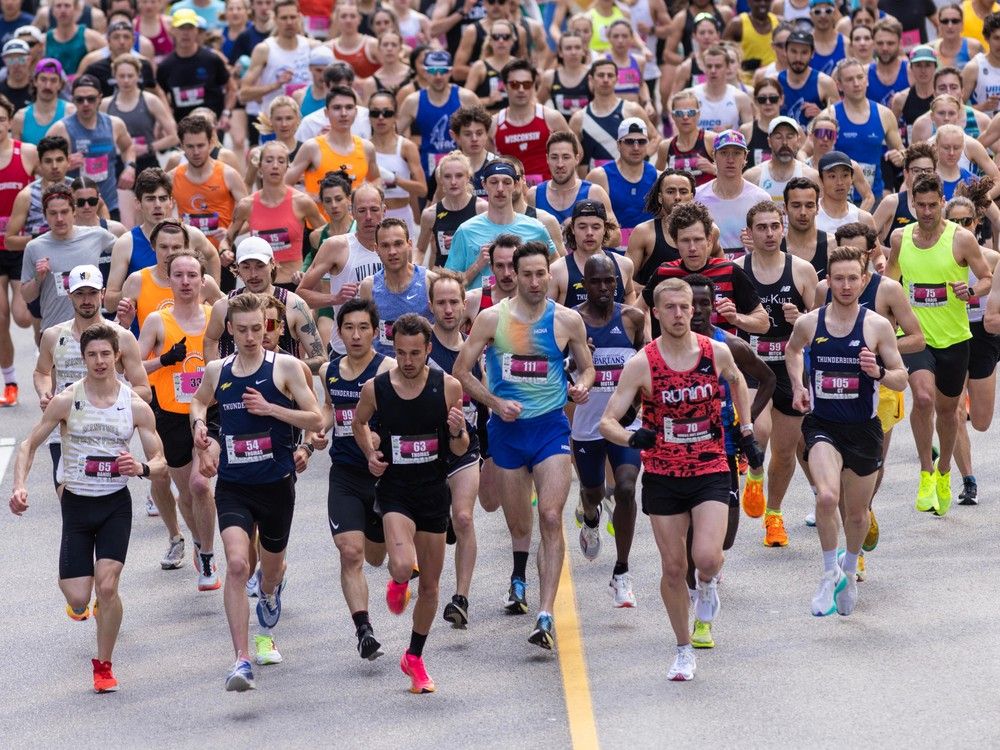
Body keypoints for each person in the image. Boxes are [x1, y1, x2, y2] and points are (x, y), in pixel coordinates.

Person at [599, 277, 761, 681]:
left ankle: (706, 583)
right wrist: (632, 436)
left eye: (683, 307)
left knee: (707, 556)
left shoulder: (715, 352)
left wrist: (746, 431)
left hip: (709, 467)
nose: (677, 314)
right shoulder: (643, 363)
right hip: (663, 474)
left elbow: (740, 382)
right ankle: (683, 648)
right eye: (668, 307)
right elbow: (607, 422)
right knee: (673, 568)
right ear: (656, 311)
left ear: (694, 309)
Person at [9, 321, 166, 693]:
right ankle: (86, 601)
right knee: (79, 596)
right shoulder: (67, 400)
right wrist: (19, 487)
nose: (99, 361)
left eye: (106, 355)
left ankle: (104, 665)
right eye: (92, 355)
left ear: (117, 358)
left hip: (114, 504)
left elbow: (161, 461)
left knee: (108, 587)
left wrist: (141, 468)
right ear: (83, 358)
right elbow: (28, 445)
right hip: (77, 505)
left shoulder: (135, 405)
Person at [454, 242, 594, 650]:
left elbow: (586, 369)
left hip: (550, 429)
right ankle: (519, 578)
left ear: (550, 276)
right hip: (507, 432)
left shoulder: (567, 321)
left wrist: (581, 388)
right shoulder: (491, 319)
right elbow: (462, 372)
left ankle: (546, 613)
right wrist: (495, 403)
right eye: (527, 274)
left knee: (550, 516)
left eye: (541, 274)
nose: (535, 282)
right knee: (520, 525)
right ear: (513, 275)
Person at [191, 291, 324, 692]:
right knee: (236, 565)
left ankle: (269, 595)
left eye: (259, 329)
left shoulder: (284, 366)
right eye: (243, 330)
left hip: (276, 485)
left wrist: (271, 409)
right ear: (230, 330)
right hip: (234, 486)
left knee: (271, 571)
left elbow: (315, 416)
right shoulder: (217, 370)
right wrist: (198, 427)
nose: (252, 337)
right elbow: (198, 403)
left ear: (267, 328)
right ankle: (241, 660)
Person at [785, 246, 908, 616]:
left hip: (864, 430)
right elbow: (793, 352)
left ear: (864, 279)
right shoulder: (810, 323)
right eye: (838, 278)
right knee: (825, 497)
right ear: (828, 281)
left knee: (857, 516)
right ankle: (827, 574)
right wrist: (798, 385)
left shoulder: (877, 326)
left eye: (853, 277)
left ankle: (849, 570)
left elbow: (901, 378)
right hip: (823, 426)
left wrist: (879, 374)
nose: (845, 285)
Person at [351, 313, 468, 693]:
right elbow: (359, 423)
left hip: (434, 492)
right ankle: (399, 578)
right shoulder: (376, 388)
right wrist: (370, 451)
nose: (407, 361)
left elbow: (461, 447)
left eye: (415, 353)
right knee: (402, 564)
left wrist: (456, 431)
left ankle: (414, 657)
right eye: (400, 353)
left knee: (432, 588)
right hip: (396, 490)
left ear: (428, 350)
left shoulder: (447, 387)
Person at [886, 173, 993, 515]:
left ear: (942, 202)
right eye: (922, 205)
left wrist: (972, 290)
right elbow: (889, 278)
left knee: (949, 412)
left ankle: (945, 470)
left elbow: (987, 276)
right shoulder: (901, 238)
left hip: (955, 339)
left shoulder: (960, 238)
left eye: (934, 205)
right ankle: (925, 471)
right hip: (916, 336)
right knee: (922, 397)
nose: (928, 211)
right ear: (912, 204)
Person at [685, 271, 774, 645]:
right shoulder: (659, 351)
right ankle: (698, 603)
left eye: (705, 303)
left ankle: (706, 572)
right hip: (677, 455)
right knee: (688, 537)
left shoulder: (728, 346)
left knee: (726, 539)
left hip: (722, 450)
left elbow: (767, 379)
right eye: (692, 305)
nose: (698, 311)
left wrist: (745, 423)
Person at [733, 200, 818, 546]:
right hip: (751, 362)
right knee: (760, 430)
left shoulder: (802, 270)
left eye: (774, 227)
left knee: (785, 451)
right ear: (749, 233)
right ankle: (754, 470)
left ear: (783, 229)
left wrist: (802, 319)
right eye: (761, 227)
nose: (769, 234)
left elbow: (821, 321)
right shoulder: (737, 269)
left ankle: (775, 515)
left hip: (790, 364)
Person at [137, 250, 222, 590]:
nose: (186, 282)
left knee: (201, 485)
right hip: (170, 414)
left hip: (211, 411)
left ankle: (208, 555)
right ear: (169, 280)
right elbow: (134, 368)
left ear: (203, 280)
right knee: (186, 493)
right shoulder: (158, 321)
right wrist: (164, 360)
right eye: (179, 275)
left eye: (192, 275)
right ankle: (201, 543)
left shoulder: (215, 315)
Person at [316, 297, 394, 660]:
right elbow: (331, 411)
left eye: (364, 328)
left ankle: (402, 572)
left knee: (379, 559)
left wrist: (380, 438)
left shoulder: (388, 369)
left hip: (383, 477)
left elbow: (403, 420)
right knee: (350, 553)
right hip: (345, 474)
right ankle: (364, 630)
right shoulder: (328, 371)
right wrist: (317, 431)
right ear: (338, 333)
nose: (357, 334)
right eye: (349, 327)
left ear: (376, 332)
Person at [571, 254, 645, 606]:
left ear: (618, 283)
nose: (604, 287)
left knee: (628, 488)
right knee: (593, 492)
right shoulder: (573, 322)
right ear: (584, 285)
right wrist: (576, 362)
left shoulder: (632, 319)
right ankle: (589, 518)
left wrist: (639, 407)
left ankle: (622, 571)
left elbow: (648, 367)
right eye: (596, 281)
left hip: (624, 423)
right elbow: (561, 369)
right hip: (586, 425)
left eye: (610, 281)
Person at [425, 271, 484, 627]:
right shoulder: (419, 347)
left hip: (466, 443)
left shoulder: (475, 347)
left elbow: (487, 394)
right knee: (430, 527)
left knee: (464, 517)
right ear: (430, 306)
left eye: (454, 303)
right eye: (441, 303)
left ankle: (460, 597)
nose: (448, 310)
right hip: (425, 451)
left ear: (465, 306)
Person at [642, 200, 769, 338]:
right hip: (676, 356)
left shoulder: (730, 271)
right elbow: (640, 308)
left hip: (720, 355)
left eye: (698, 240)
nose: (692, 248)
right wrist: (648, 341)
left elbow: (763, 324)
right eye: (685, 240)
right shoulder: (664, 273)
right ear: (675, 241)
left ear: (709, 240)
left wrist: (736, 318)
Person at [104, 167, 220, 315]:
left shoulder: (191, 235)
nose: (157, 205)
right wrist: (135, 290)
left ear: (171, 202)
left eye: (163, 198)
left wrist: (209, 292)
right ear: (138, 203)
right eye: (150, 199)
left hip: (185, 332)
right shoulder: (126, 243)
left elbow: (212, 256)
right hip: (143, 332)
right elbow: (109, 303)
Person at [945, 194, 1000, 505]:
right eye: (953, 222)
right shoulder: (939, 256)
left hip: (981, 335)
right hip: (949, 334)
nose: (961, 227)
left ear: (976, 223)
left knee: (980, 421)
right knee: (952, 411)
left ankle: (958, 407)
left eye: (966, 221)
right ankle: (968, 480)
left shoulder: (991, 260)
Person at [205, 237, 325, 372]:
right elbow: (210, 340)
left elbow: (321, 359)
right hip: (236, 389)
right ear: (237, 268)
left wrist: (283, 367)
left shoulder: (294, 305)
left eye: (260, 266)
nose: (253, 274)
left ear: (272, 263)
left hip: (282, 390)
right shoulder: (223, 307)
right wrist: (216, 375)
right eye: (246, 267)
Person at [295, 182, 385, 355]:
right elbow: (301, 294)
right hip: (345, 349)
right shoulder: (337, 246)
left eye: (374, 210)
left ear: (384, 210)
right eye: (361, 210)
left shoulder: (395, 246)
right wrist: (335, 298)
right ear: (352, 211)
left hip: (386, 349)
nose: (368, 216)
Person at [223, 141, 325, 291]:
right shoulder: (247, 205)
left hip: (295, 284)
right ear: (260, 167)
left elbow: (327, 236)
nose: (275, 165)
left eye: (281, 161)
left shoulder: (302, 202)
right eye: (269, 160)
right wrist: (224, 251)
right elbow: (227, 238)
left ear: (287, 167)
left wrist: (310, 266)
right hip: (259, 286)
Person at [444, 160, 558, 290]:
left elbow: (555, 266)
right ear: (484, 185)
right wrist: (477, 265)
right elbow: (449, 287)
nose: (500, 189)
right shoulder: (466, 231)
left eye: (506, 182)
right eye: (493, 182)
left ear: (515, 185)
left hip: (524, 308)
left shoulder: (536, 228)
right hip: (480, 308)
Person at [21, 184, 117, 332]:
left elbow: (127, 250)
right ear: (45, 215)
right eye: (53, 213)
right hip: (54, 331)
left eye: (64, 212)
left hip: (94, 332)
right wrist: (38, 278)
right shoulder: (34, 247)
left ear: (74, 211)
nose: (59, 219)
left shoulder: (97, 235)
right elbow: (27, 297)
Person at [45, 75, 136, 221]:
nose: (85, 104)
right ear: (73, 99)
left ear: (100, 98)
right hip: (75, 209)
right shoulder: (61, 129)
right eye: (80, 100)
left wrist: (130, 167)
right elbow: (41, 166)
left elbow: (128, 147)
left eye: (91, 99)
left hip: (109, 204)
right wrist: (64, 165)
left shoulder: (114, 124)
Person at [116, 219, 223, 335]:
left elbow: (229, 319)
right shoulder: (137, 280)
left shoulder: (204, 283)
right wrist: (124, 324)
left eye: (176, 247)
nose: (169, 253)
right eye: (163, 247)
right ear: (153, 246)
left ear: (186, 247)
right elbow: (119, 327)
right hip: (151, 351)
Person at [397, 50, 479, 191]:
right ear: (425, 72)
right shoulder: (413, 101)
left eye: (443, 71)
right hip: (427, 171)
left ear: (450, 72)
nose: (438, 76)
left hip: (461, 172)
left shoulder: (465, 97)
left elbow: (485, 132)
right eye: (433, 71)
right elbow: (395, 135)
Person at [826, 58, 904, 199]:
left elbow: (903, 151)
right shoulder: (830, 115)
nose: (856, 84)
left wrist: (901, 156)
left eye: (860, 77)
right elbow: (807, 151)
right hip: (839, 198)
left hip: (874, 197)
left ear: (867, 80)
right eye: (849, 79)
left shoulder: (884, 114)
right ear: (839, 85)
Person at [0, 93, 35, 405]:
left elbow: (47, 186)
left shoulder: (26, 153)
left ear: (9, 121)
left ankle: (47, 351)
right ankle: (10, 382)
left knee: (23, 317)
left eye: (0, 119)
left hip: (19, 245)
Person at [360, 218, 436, 356]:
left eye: (398, 244)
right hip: (384, 370)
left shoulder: (429, 281)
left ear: (409, 244)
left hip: (425, 369)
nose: (392, 251)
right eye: (385, 246)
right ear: (376, 249)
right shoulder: (368, 286)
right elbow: (366, 334)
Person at [287, 86, 380, 200]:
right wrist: (311, 198)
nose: (344, 113)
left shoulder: (367, 147)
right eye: (337, 108)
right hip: (318, 217)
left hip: (355, 218)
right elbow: (284, 184)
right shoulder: (312, 147)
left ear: (356, 112)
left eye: (349, 107)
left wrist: (362, 194)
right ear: (326, 112)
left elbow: (376, 180)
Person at [490, 59, 570, 188]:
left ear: (533, 86)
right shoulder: (494, 123)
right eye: (515, 84)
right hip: (511, 195)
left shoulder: (551, 117)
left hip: (549, 193)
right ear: (505, 86)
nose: (521, 89)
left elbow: (577, 153)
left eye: (527, 84)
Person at [694, 129, 770, 260]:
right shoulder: (698, 197)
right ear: (714, 156)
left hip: (748, 272)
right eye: (724, 153)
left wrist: (759, 246)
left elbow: (773, 244)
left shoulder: (761, 198)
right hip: (711, 271)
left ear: (745, 157)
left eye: (736, 153)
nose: (730, 159)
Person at [569, 59, 658, 172]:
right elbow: (570, 153)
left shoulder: (632, 110)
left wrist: (640, 158)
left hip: (629, 178)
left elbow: (655, 138)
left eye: (610, 75)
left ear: (617, 78)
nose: (606, 80)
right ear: (591, 79)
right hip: (596, 183)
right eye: (601, 75)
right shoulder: (579, 118)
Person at [237, 0, 315, 125]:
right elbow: (243, 94)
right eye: (284, 18)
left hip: (305, 126)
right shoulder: (264, 49)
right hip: (274, 126)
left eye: (293, 17)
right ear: (275, 20)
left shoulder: (312, 47)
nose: (289, 22)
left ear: (300, 18)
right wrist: (276, 85)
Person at [586, 118, 657, 248]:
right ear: (618, 144)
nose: (636, 147)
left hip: (649, 253)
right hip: (612, 253)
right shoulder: (599, 176)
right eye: (629, 142)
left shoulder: (658, 176)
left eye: (641, 142)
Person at [550, 200, 634, 306]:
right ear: (572, 229)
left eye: (596, 227)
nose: (589, 233)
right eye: (582, 227)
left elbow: (630, 293)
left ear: (604, 229)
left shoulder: (624, 265)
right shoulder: (557, 270)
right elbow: (547, 312)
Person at [156, 9, 234, 124]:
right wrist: (168, 120)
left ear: (197, 31)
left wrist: (226, 114)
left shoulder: (211, 59)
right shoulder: (165, 66)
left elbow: (232, 89)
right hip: (183, 131)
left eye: (190, 28)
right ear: (172, 31)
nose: (185, 33)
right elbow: (160, 96)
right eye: (181, 28)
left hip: (212, 127)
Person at [367, 91, 427, 240]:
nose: (381, 117)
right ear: (369, 117)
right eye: (375, 113)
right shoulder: (364, 147)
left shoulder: (406, 146)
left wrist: (394, 179)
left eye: (387, 113)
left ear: (395, 116)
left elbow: (422, 189)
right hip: (372, 218)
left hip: (401, 214)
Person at [531, 130, 617, 231]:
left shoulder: (594, 193)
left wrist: (582, 230)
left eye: (566, 157)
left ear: (577, 159)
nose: (560, 164)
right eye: (554, 157)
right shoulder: (534, 195)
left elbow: (615, 236)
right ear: (547, 159)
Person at [626, 169, 699, 287]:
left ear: (691, 197)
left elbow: (723, 274)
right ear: (660, 197)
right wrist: (654, 295)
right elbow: (625, 279)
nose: (677, 197)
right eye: (670, 191)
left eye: (683, 192)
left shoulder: (710, 231)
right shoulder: (643, 232)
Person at [417, 151, 488, 268]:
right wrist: (414, 268)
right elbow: (420, 249)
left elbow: (494, 244)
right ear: (440, 180)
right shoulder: (430, 214)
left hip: (474, 276)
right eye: (447, 176)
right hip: (444, 279)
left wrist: (461, 240)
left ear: (468, 177)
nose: (453, 182)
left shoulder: (482, 208)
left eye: (459, 176)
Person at [742, 116, 820, 206]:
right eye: (778, 137)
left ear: (798, 141)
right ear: (769, 142)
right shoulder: (751, 177)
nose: (785, 143)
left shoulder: (812, 177)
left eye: (790, 137)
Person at [779, 30, 839, 127]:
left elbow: (839, 121)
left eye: (804, 52)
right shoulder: (775, 81)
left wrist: (822, 115)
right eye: (793, 51)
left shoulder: (825, 82)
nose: (798, 58)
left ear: (812, 54)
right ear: (786, 51)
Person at [656, 90, 716, 187]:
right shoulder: (665, 146)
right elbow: (656, 182)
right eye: (680, 113)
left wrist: (714, 169)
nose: (685, 117)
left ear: (698, 114)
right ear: (673, 116)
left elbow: (734, 174)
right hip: (678, 201)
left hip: (708, 201)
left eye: (691, 112)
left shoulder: (711, 140)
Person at [689, 45, 753, 132]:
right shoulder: (691, 95)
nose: (713, 71)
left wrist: (729, 134)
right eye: (709, 66)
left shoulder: (740, 98)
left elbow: (749, 136)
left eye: (718, 66)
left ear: (727, 67)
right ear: (703, 67)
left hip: (729, 145)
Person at [783, 177, 836, 281]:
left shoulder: (833, 246)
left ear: (817, 209)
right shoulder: (774, 247)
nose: (803, 212)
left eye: (809, 206)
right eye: (796, 205)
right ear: (785, 208)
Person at [13, 58, 74, 144]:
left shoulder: (71, 112)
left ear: (60, 84)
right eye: (43, 79)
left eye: (53, 80)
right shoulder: (20, 118)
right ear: (35, 81)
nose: (48, 86)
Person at [815, 150, 877, 234]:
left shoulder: (863, 219)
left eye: (845, 175)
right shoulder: (810, 213)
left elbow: (875, 247)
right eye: (832, 176)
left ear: (852, 178)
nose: (839, 182)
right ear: (821, 180)